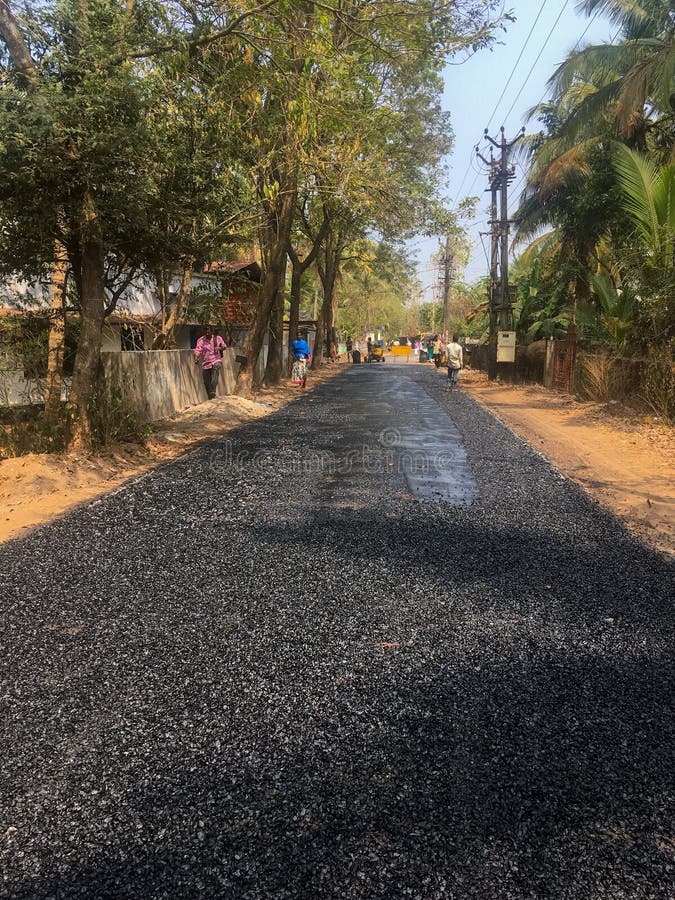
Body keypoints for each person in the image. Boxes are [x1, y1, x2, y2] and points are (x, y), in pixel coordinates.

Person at [194, 325, 227, 399]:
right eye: (205, 333)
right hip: (206, 363)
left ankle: (213, 390)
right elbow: (198, 350)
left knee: (216, 368)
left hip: (216, 360)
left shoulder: (218, 338)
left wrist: (219, 348)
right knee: (206, 381)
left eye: (208, 333)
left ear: (212, 332)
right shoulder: (201, 340)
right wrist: (196, 357)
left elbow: (224, 346)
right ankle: (211, 398)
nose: (207, 334)